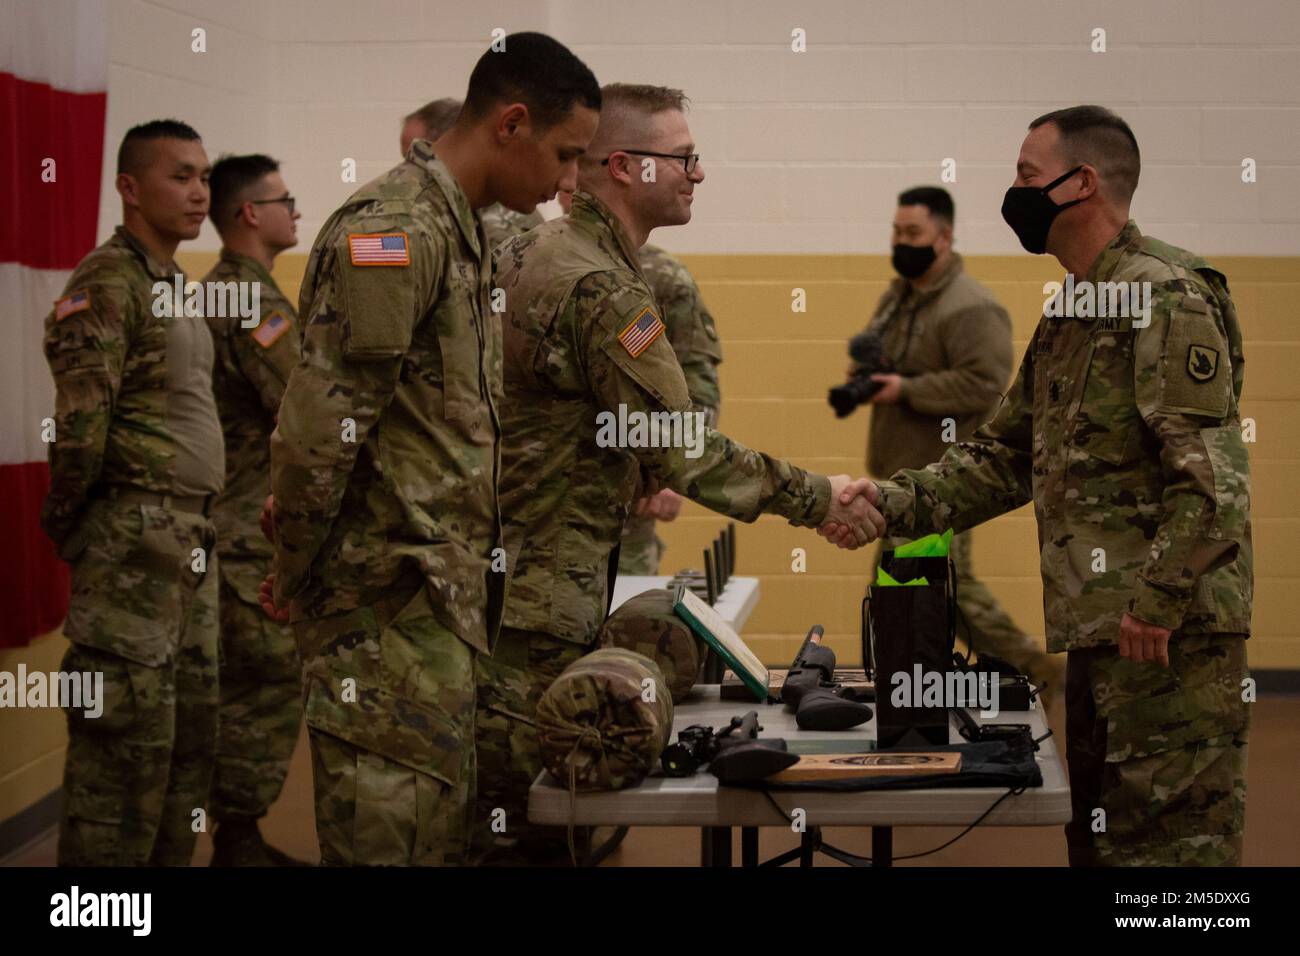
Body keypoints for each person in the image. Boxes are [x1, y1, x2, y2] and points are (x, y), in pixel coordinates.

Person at [821, 105, 1252, 867]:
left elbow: (1212, 482)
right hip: (1099, 632)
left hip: (1163, 643)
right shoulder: (1074, 312)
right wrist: (884, 502)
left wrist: (1156, 604)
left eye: (1026, 176)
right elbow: (1001, 457)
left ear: (1080, 183)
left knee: (1171, 856)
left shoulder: (1166, 295)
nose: (1013, 194)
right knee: (1100, 842)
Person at [476, 83, 883, 865]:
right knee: (526, 825)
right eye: (685, 158)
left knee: (524, 814)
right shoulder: (598, 282)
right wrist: (820, 496)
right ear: (625, 167)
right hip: (534, 597)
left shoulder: (537, 251)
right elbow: (682, 447)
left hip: (514, 574)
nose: (699, 174)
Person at [262, 32, 601, 866]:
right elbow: (320, 435)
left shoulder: (464, 232)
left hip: (439, 609)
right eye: (565, 157)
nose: (567, 187)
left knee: (435, 840)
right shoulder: (393, 233)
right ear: (512, 123)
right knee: (391, 841)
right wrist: (297, 572)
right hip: (380, 613)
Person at [43, 119, 222, 865]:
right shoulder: (107, 282)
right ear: (128, 187)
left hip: (188, 550)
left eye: (205, 177)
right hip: (132, 553)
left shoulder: (172, 284)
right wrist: (84, 530)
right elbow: (81, 426)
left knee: (184, 761)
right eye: (180, 175)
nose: (199, 192)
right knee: (118, 773)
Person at [857, 185, 1062, 697]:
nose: (901, 242)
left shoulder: (970, 306)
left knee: (949, 593)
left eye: (913, 233)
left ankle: (1043, 673)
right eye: (897, 232)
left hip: (941, 482)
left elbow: (987, 385)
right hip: (901, 479)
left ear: (944, 238)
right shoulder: (902, 296)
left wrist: (906, 389)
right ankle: (911, 686)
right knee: (907, 588)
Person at [201, 154, 307, 865]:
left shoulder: (219, 293)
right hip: (246, 532)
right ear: (250, 214)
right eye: (285, 200)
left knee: (244, 686)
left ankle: (239, 834)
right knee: (265, 686)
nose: (295, 211)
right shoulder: (248, 299)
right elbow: (302, 407)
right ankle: (237, 837)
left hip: (228, 526)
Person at [554, 186, 725, 575]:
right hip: (537, 507)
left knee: (622, 625)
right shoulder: (528, 262)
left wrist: (674, 472)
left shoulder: (662, 278)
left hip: (624, 509)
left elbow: (697, 384)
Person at [400, 96, 543, 252]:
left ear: (445, 145)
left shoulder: (499, 224)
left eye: (416, 157)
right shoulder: (458, 208)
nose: (407, 168)